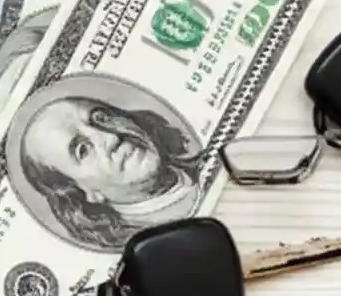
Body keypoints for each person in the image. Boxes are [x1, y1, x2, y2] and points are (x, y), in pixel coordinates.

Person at [16, 95, 203, 251]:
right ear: (83, 192)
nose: (111, 137)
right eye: (83, 150)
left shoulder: (207, 159)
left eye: (101, 118)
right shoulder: (147, 246)